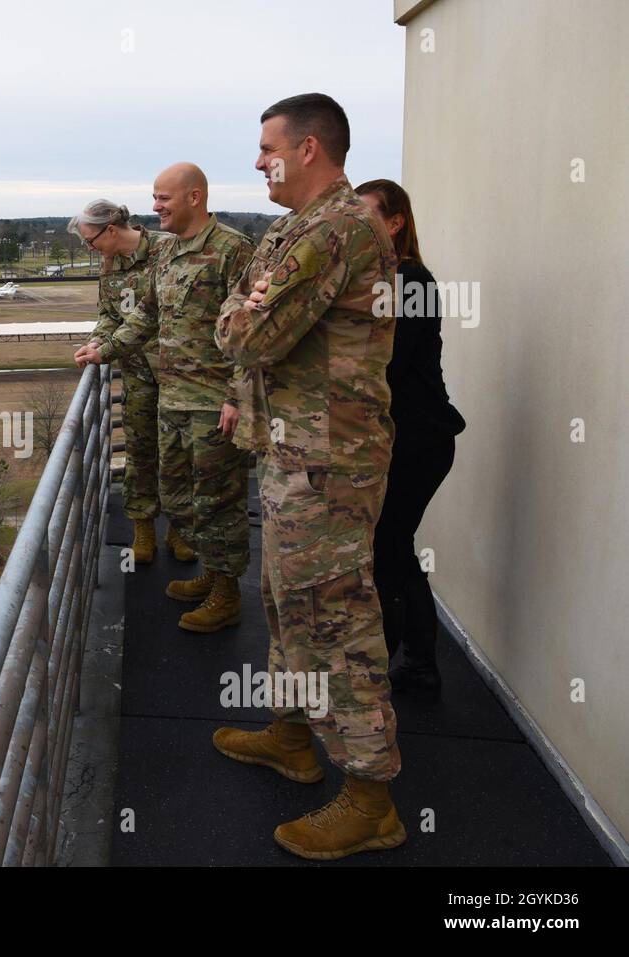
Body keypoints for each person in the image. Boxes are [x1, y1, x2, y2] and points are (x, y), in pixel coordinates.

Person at [214, 93, 405, 860]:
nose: (258, 161)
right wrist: (246, 301)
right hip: (297, 455)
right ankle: (294, 737)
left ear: (310, 150)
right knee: (289, 606)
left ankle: (370, 797)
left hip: (328, 463)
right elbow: (246, 316)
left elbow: (245, 333)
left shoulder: (331, 229)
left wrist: (243, 306)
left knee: (336, 621)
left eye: (268, 148)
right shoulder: (300, 228)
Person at [77, 163, 254, 633]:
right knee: (183, 498)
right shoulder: (170, 254)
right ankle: (211, 575)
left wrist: (238, 396)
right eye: (154, 198)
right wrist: (104, 349)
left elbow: (256, 332)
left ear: (194, 198)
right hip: (172, 400)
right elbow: (145, 317)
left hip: (214, 404)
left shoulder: (233, 250)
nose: (153, 208)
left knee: (219, 501)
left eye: (163, 199)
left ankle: (226, 593)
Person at [356, 179, 466, 694]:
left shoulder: (412, 281)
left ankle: (409, 662)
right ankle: (416, 660)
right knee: (393, 544)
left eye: (367, 214)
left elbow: (389, 363)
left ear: (395, 222)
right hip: (402, 436)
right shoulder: (382, 279)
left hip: (418, 439)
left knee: (389, 545)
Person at [67, 200, 164, 563]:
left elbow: (154, 318)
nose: (89, 249)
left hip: (179, 373)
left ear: (110, 229)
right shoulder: (109, 265)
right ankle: (144, 532)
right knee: (140, 453)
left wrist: (106, 349)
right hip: (138, 373)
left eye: (90, 241)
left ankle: (184, 533)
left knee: (181, 455)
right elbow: (109, 313)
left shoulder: (165, 251)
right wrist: (96, 340)